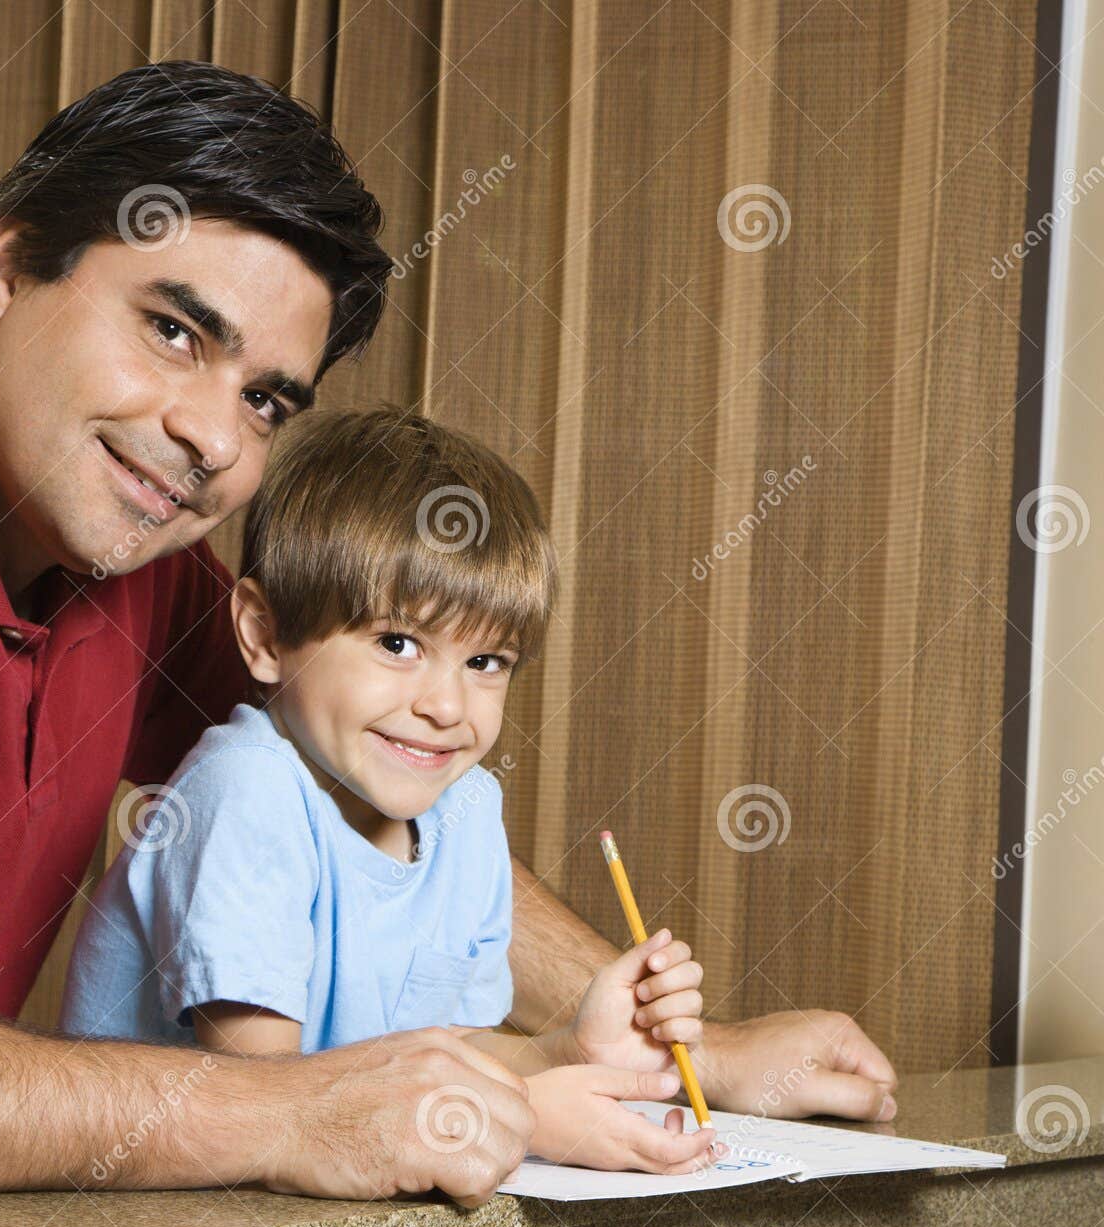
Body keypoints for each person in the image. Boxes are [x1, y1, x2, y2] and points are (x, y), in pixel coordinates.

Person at [0, 62, 893, 1218]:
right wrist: (291, 1111)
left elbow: (370, 768)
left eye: (269, 401)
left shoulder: (125, 542)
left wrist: (670, 1051)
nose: (216, 440)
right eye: (173, 331)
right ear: (5, 267)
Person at [62, 408, 728, 1173]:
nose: (447, 707)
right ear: (265, 635)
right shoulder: (243, 790)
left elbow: (448, 1048)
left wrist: (561, 1049)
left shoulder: (468, 808)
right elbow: (262, 1102)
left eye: (487, 662)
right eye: (398, 643)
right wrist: (517, 1112)